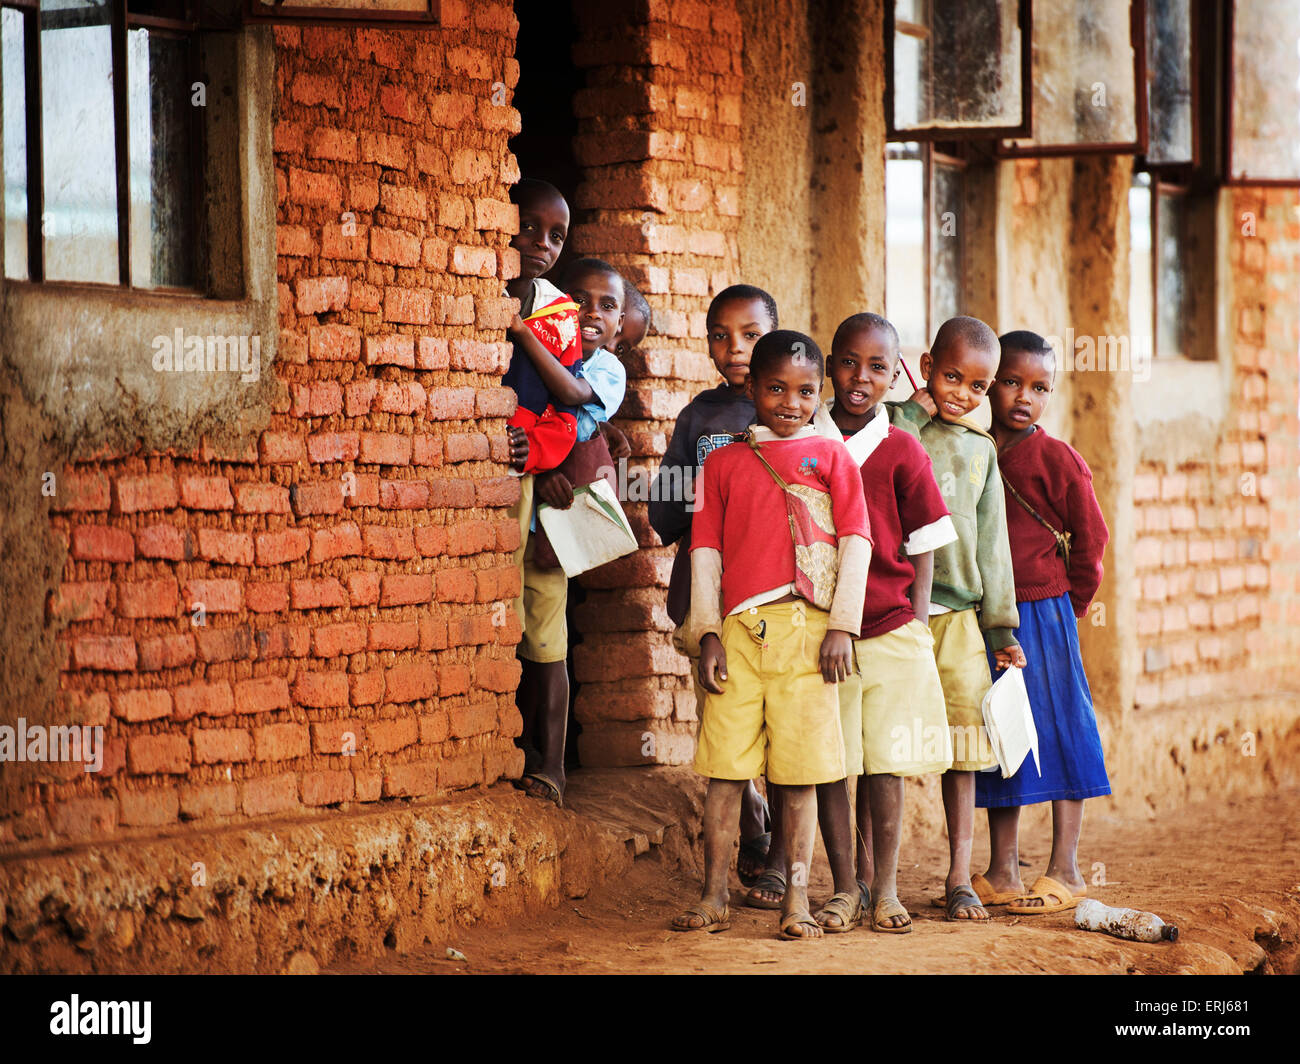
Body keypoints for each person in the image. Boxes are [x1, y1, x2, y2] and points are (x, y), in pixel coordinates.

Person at [670, 330, 871, 939]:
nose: (791, 401)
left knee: (801, 774)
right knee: (726, 771)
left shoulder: (833, 458)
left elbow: (857, 543)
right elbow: (703, 549)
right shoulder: (724, 462)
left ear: (820, 393)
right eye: (776, 387)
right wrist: (706, 633)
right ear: (752, 387)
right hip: (738, 635)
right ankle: (712, 895)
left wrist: (842, 626)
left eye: (806, 391)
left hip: (809, 635)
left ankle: (798, 901)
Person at [810, 313, 957, 934]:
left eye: (876, 366)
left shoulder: (902, 448)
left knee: (885, 764)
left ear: (897, 374)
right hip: (817, 630)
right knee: (827, 762)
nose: (859, 378)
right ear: (828, 366)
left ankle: (887, 887)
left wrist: (918, 621)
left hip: (891, 624)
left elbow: (924, 542)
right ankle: (845, 888)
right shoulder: (805, 442)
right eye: (847, 362)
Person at [887, 315, 1025, 923]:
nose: (962, 394)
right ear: (925, 370)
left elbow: (994, 546)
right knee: (886, 746)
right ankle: (873, 879)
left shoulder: (981, 453)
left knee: (966, 750)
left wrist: (1001, 628)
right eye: (950, 377)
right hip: (895, 614)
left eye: (977, 385)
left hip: (961, 620)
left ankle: (957, 876)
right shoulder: (897, 431)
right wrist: (913, 410)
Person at [974, 330, 1111, 915]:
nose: (1023, 397)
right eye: (1011, 382)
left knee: (1060, 730)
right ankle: (1002, 868)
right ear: (989, 383)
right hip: (993, 617)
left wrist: (1067, 604)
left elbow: (1092, 539)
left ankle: (1067, 867)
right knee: (1004, 734)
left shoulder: (1057, 459)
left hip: (1046, 612)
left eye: (1040, 387)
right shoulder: (972, 447)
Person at [648, 284, 781, 887]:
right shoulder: (700, 417)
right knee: (723, 721)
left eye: (752, 335)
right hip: (709, 599)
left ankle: (782, 854)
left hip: (779, 596)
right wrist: (696, 490)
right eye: (722, 336)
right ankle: (755, 831)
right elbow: (666, 514)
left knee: (782, 726)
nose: (737, 348)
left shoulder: (794, 411)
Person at [511, 258, 629, 807]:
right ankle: (521, 750)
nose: (591, 313)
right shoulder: (547, 354)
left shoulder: (603, 367)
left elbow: (575, 400)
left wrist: (521, 331)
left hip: (557, 521)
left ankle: (554, 766)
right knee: (514, 634)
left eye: (607, 306)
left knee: (547, 642)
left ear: (622, 323)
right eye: (579, 300)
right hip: (525, 503)